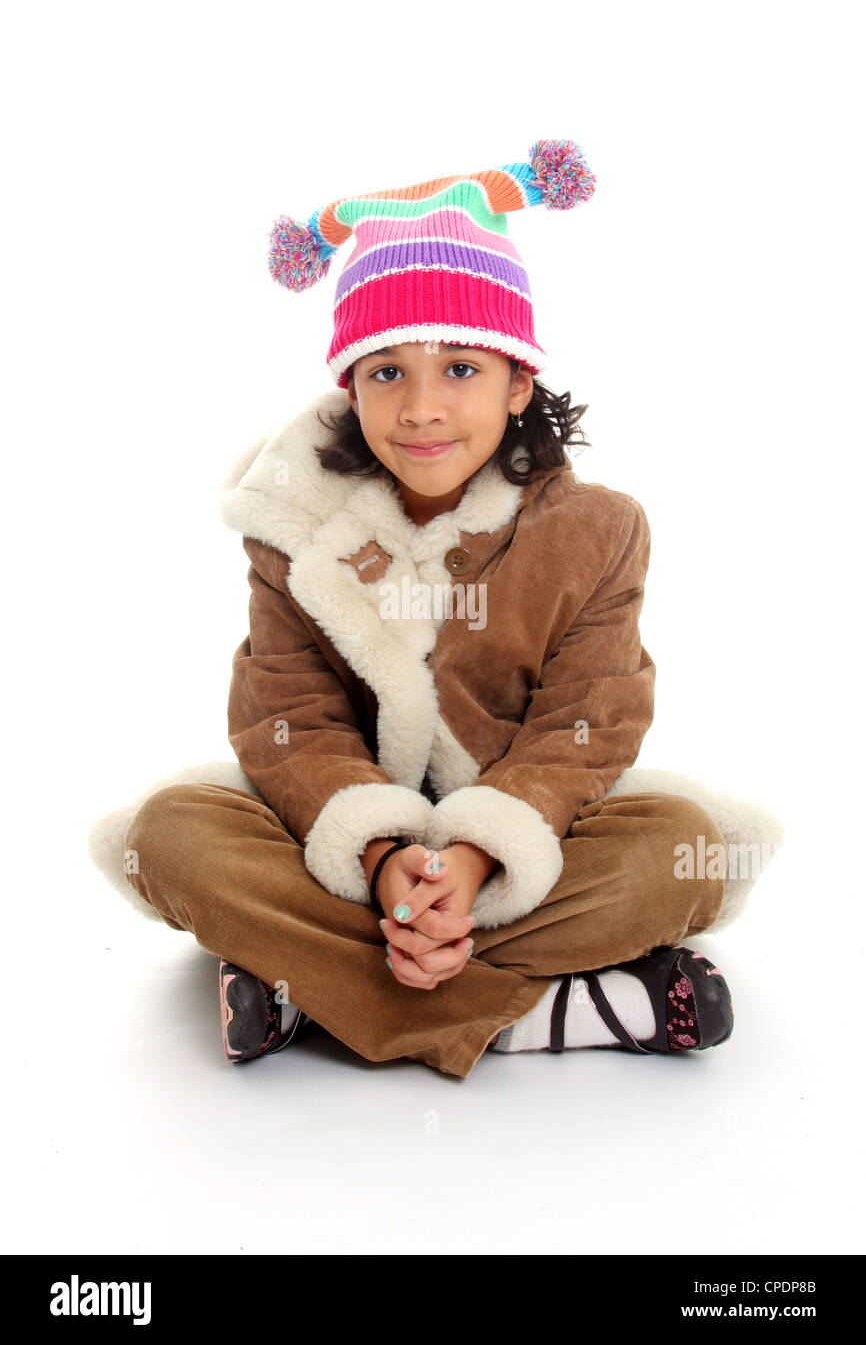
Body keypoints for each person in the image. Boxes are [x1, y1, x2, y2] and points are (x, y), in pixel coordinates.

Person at [122, 138, 733, 1079]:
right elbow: (286, 717)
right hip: (352, 853)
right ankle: (556, 1012)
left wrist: (481, 858)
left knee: (687, 849)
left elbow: (588, 725)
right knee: (169, 833)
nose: (419, 409)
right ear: (351, 387)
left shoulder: (596, 531)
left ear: (518, 381)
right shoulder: (295, 531)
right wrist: (381, 856)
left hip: (525, 850)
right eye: (386, 371)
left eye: (459, 369)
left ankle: (314, 995)